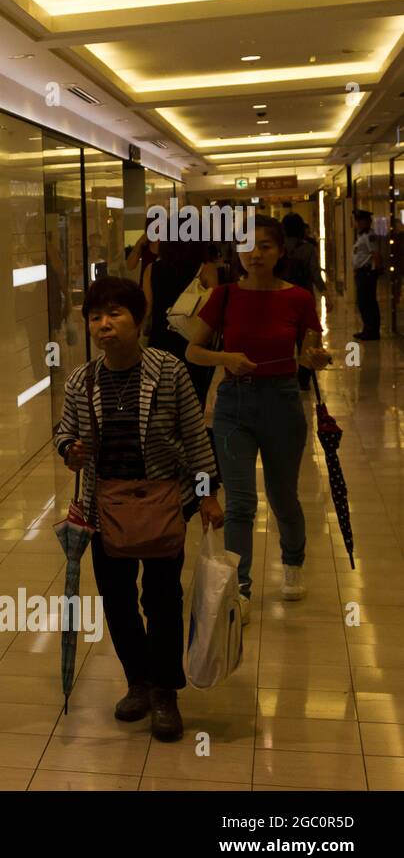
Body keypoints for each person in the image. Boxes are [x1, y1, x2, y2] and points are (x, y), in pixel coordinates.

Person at [55, 276, 223, 742]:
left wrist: (207, 494)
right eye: (95, 317)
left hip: (165, 502)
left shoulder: (168, 371)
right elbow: (63, 433)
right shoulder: (82, 379)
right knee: (118, 601)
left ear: (138, 318)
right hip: (103, 506)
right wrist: (70, 448)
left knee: (163, 598)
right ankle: (139, 683)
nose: (104, 325)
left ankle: (166, 692)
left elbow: (194, 437)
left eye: (114, 314)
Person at [186, 215, 332, 622]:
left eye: (265, 246)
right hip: (234, 403)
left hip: (283, 402)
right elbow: (193, 351)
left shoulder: (299, 298)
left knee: (283, 495)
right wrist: (225, 358)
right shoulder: (225, 296)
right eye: (247, 246)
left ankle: (293, 563)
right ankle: (241, 588)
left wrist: (316, 357)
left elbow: (310, 350)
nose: (255, 254)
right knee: (241, 503)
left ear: (280, 251)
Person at [143, 235, 217, 408]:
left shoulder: (151, 269)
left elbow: (147, 309)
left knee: (162, 398)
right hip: (193, 341)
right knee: (193, 399)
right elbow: (213, 308)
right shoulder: (206, 268)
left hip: (160, 340)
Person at [279, 213, 331, 389]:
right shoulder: (308, 248)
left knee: (283, 338)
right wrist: (325, 293)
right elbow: (315, 274)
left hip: (281, 297)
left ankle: (284, 375)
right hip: (304, 298)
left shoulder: (279, 248)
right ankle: (304, 379)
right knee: (306, 340)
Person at [351, 209, 383, 340]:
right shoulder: (361, 236)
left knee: (367, 302)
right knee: (363, 302)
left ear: (367, 222)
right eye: (357, 220)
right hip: (361, 273)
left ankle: (372, 331)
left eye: (360, 220)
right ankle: (367, 328)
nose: (358, 223)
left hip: (367, 273)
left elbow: (375, 254)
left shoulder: (369, 236)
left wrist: (378, 270)